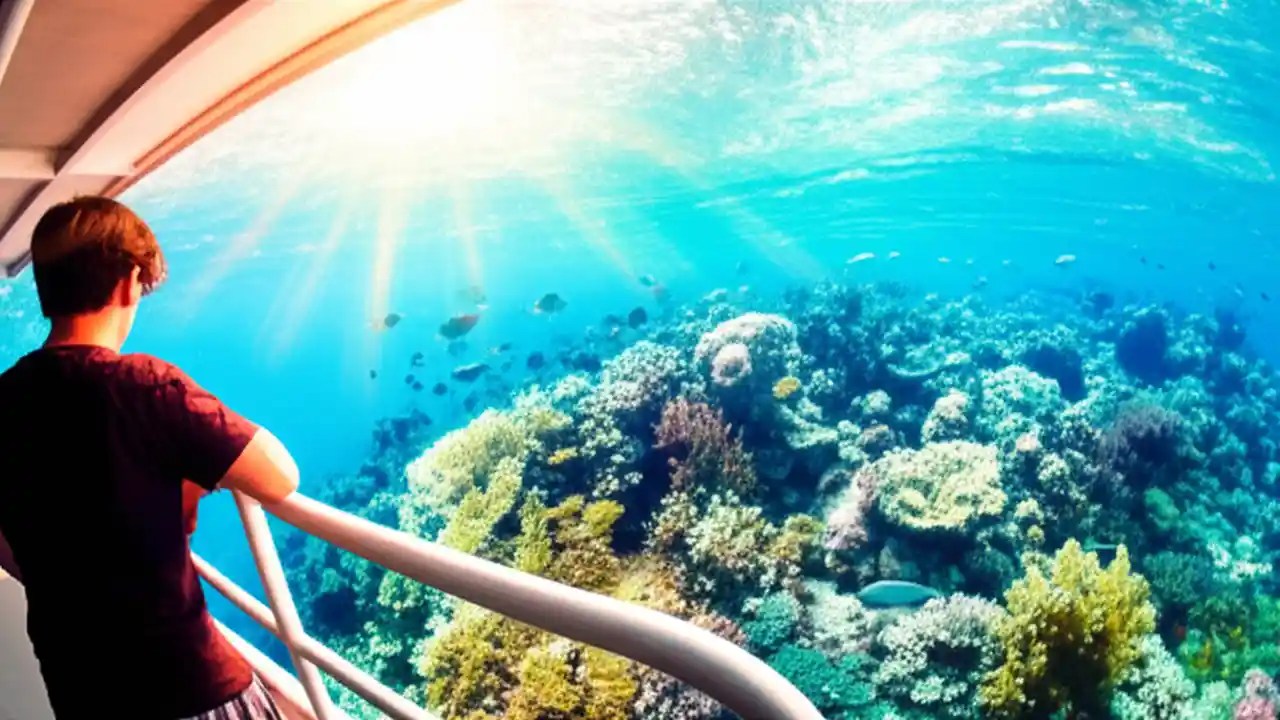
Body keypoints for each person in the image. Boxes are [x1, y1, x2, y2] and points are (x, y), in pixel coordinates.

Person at [0, 197, 300, 719]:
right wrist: (190, 477)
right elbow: (279, 477)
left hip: (80, 691)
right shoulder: (144, 386)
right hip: (188, 687)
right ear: (129, 281)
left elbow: (10, 551)